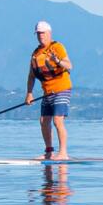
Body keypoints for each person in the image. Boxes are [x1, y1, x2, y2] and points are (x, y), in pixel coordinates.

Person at [25, 20, 73, 160]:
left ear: (49, 33)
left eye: (43, 33)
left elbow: (69, 65)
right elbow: (31, 75)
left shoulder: (57, 47)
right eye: (38, 34)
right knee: (44, 120)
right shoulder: (35, 53)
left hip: (61, 89)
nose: (40, 36)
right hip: (47, 92)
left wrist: (57, 61)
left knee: (58, 120)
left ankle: (63, 153)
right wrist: (29, 93)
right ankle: (49, 151)